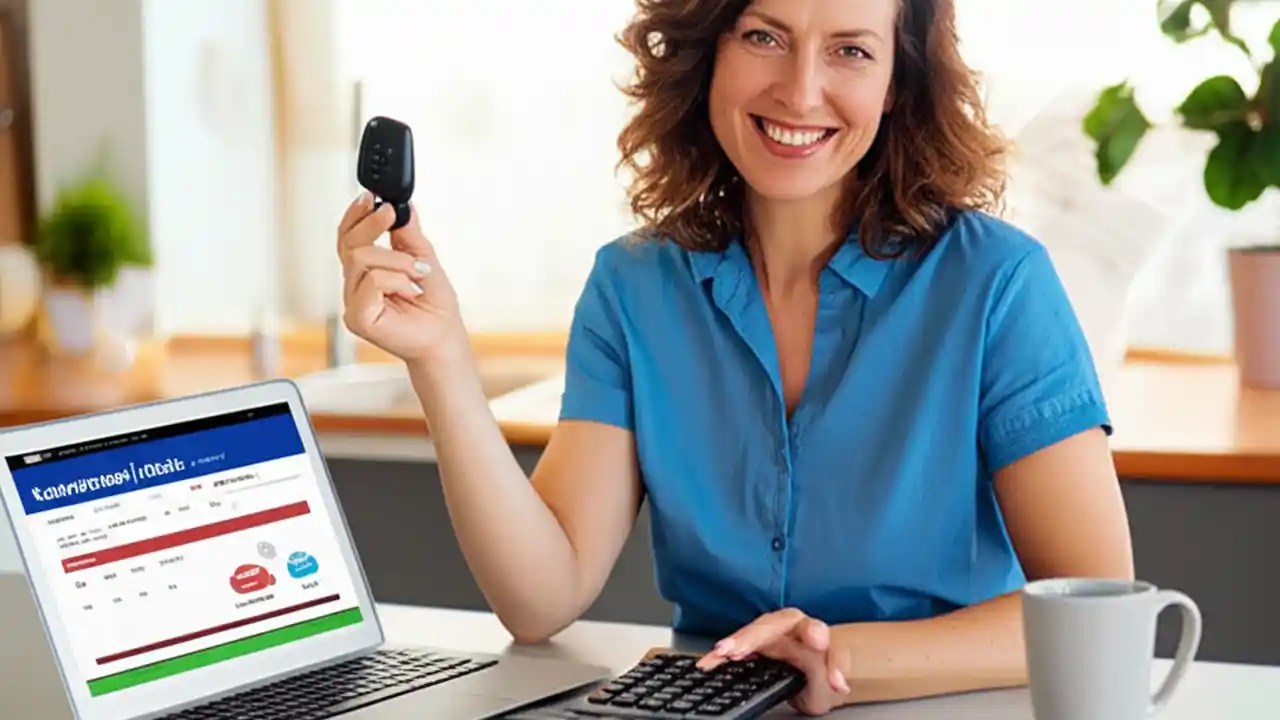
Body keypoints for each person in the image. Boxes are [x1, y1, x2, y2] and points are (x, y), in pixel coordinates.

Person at [335, 0, 1135, 714]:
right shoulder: (634, 287)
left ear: (898, 81)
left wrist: (835, 660)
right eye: (764, 36)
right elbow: (540, 599)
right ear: (707, 52)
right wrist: (441, 359)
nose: (801, 91)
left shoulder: (997, 284)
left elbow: (1099, 607)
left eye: (851, 50)